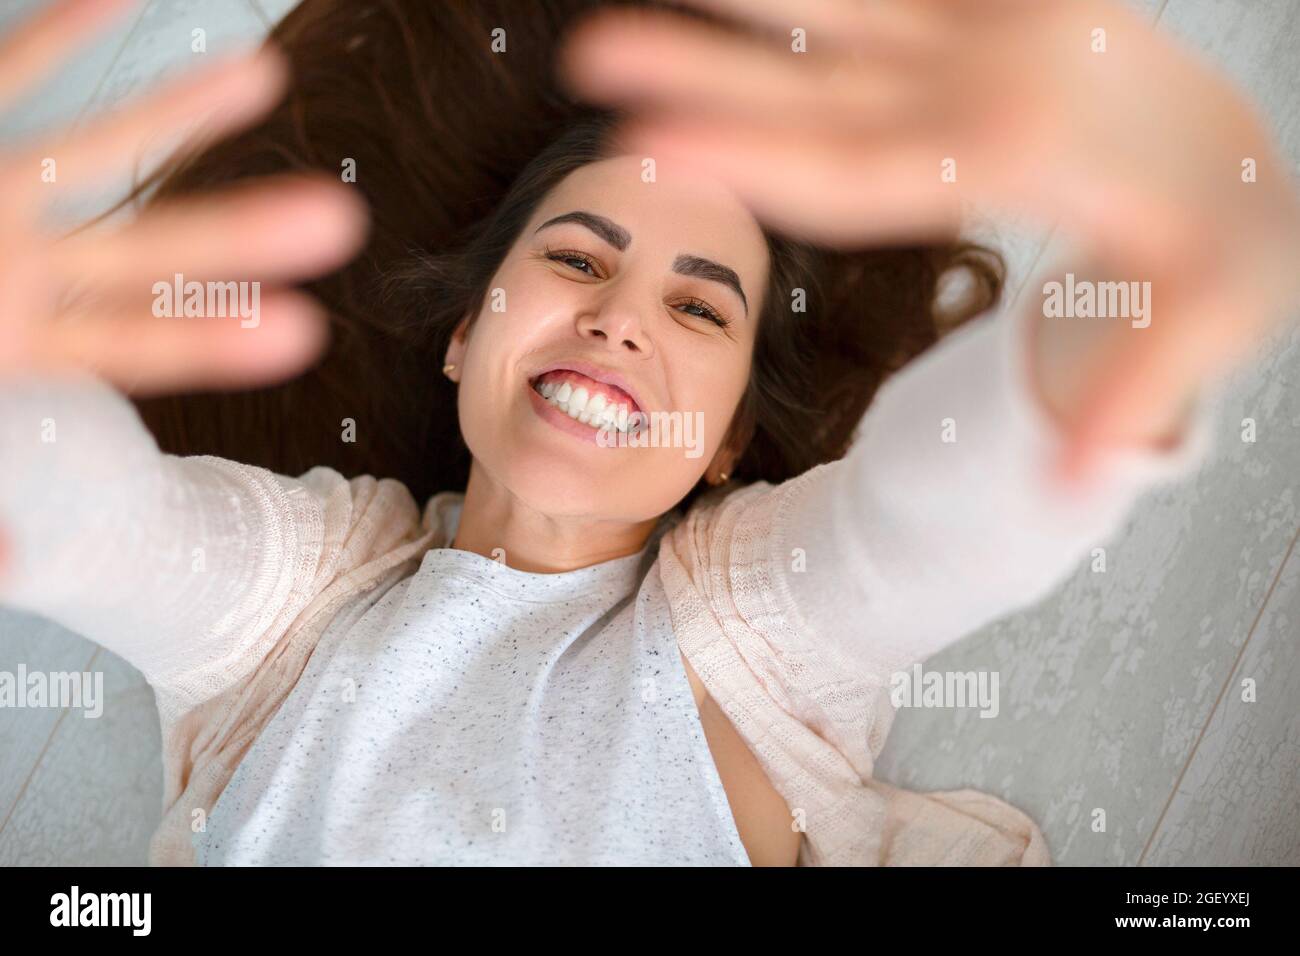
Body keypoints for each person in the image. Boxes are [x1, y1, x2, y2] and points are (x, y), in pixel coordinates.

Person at [0, 0, 1295, 866]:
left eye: (696, 304)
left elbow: (945, 507)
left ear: (730, 440)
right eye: (576, 258)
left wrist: (1180, 264)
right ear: (462, 336)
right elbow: (92, 525)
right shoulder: (302, 600)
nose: (622, 319)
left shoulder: (756, 630)